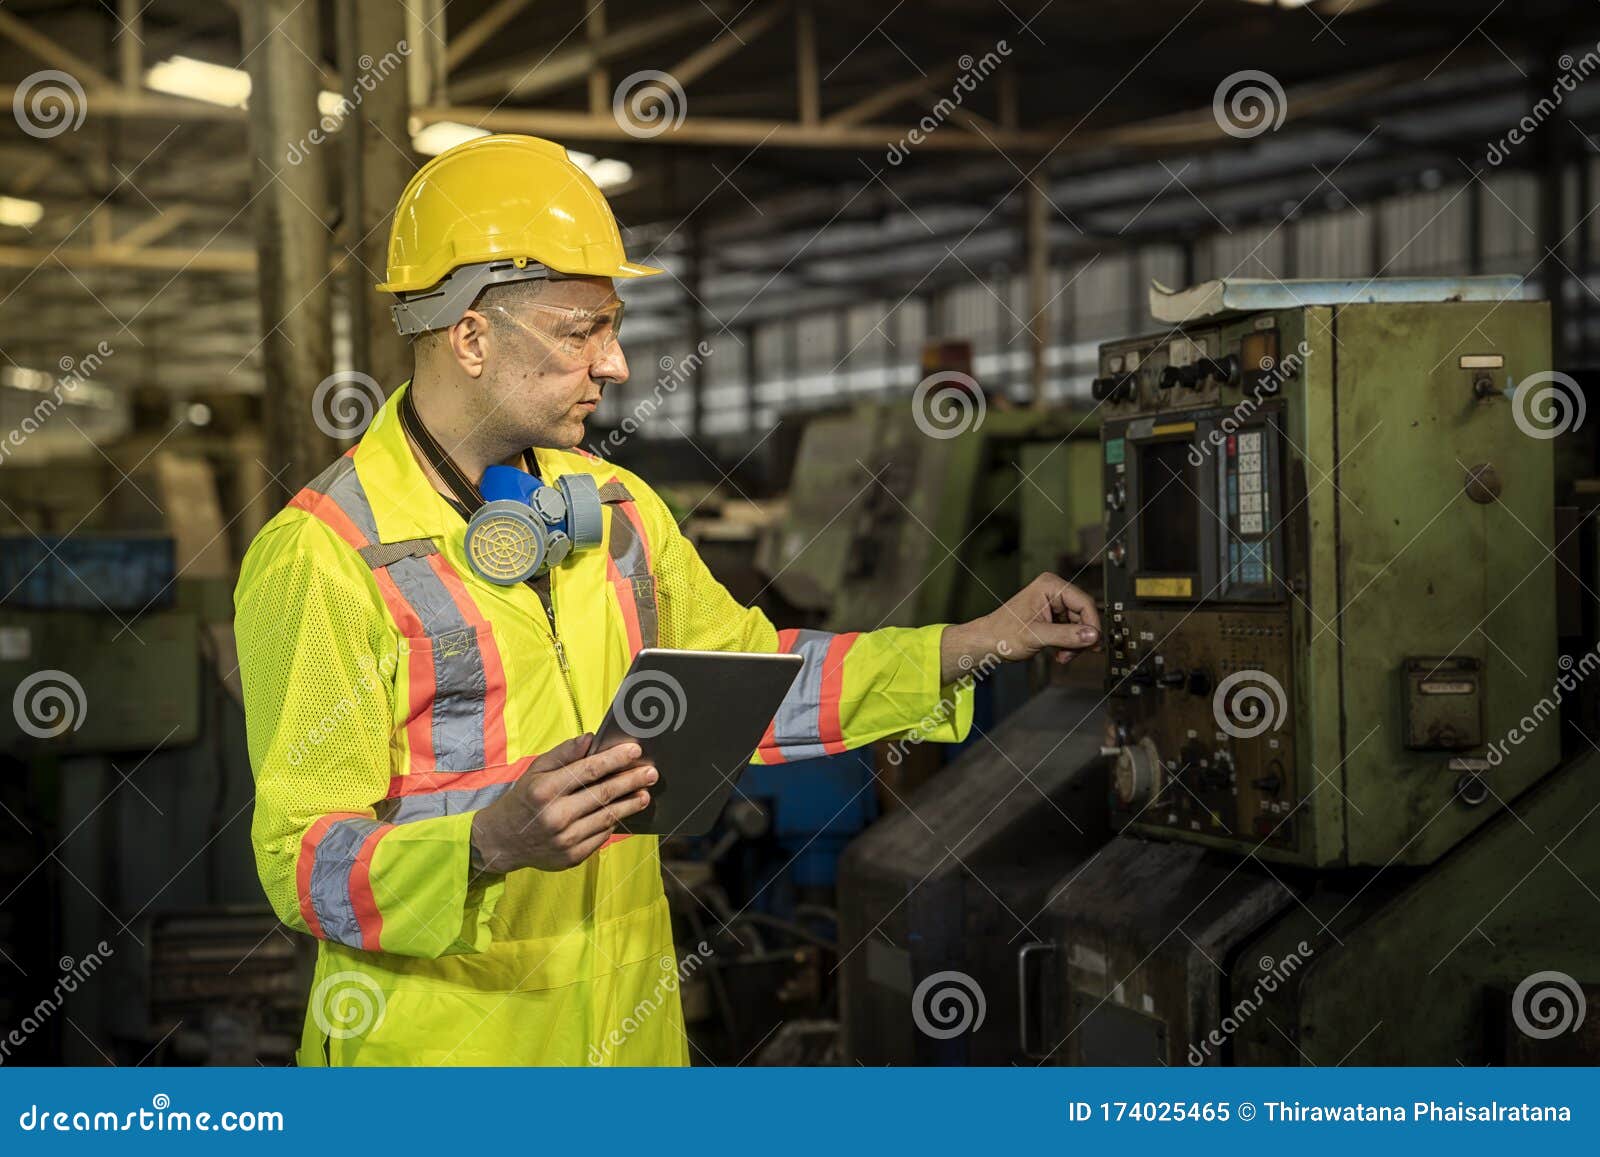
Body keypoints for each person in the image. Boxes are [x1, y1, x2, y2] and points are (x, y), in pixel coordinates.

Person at [234, 134, 1101, 1066]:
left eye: (612, 327)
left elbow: (755, 680)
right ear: (472, 336)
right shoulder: (325, 555)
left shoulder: (617, 513)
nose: (614, 365)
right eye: (580, 332)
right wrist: (484, 843)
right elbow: (302, 863)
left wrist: (971, 642)